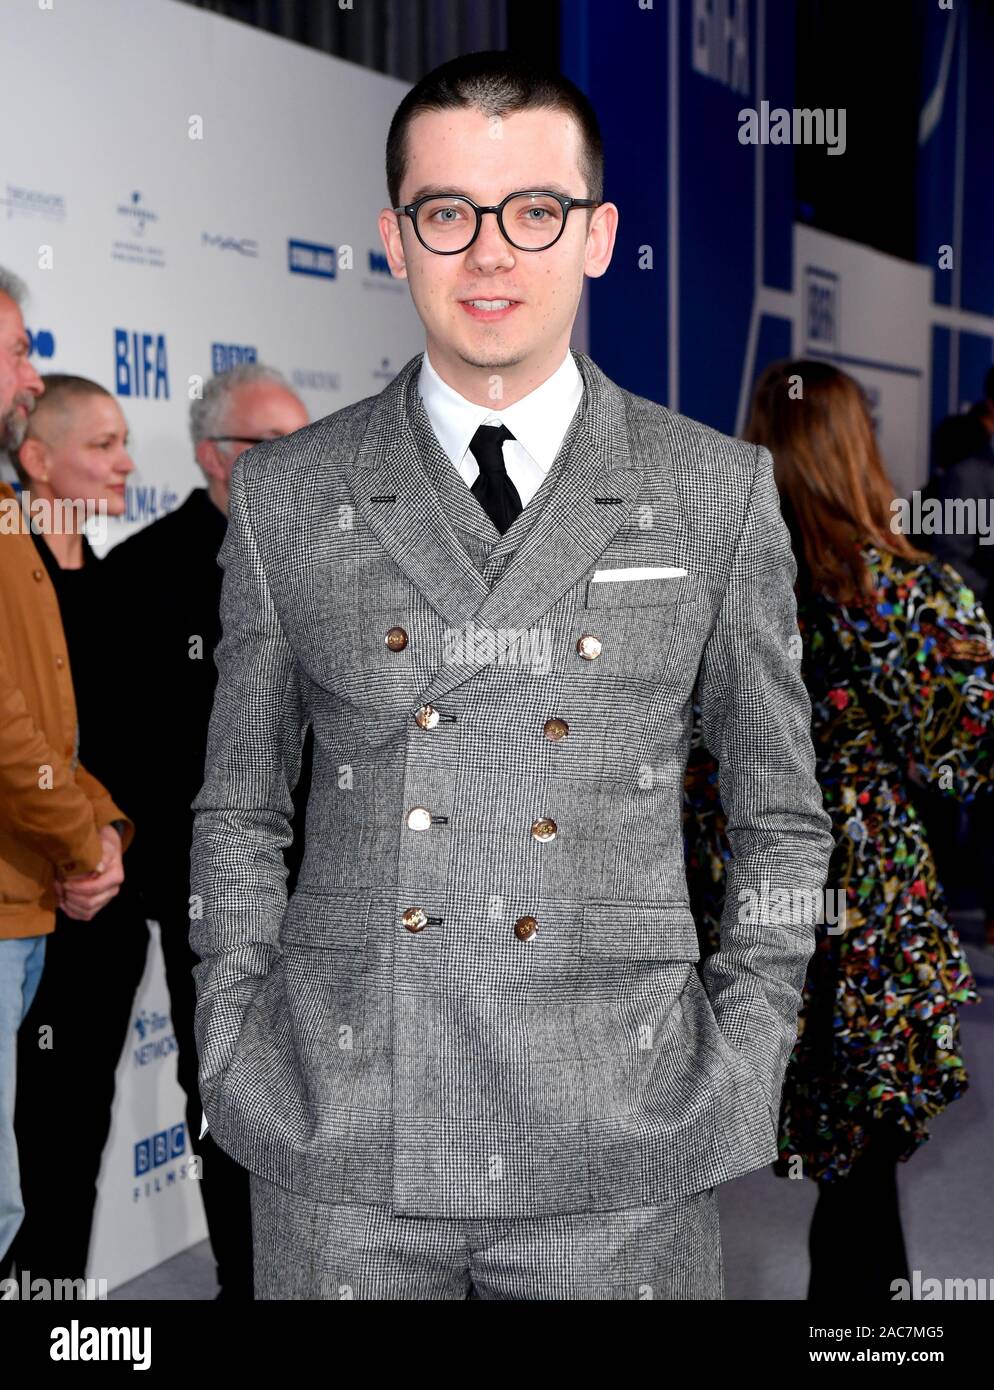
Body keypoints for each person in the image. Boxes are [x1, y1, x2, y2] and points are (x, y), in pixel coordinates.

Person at [189, 51, 834, 1301]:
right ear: (395, 239)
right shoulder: (287, 494)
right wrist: (233, 1046)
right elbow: (238, 808)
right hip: (347, 1137)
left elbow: (781, 817)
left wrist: (747, 1051)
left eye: (533, 211)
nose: (491, 254)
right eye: (449, 213)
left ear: (596, 237)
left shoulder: (711, 491)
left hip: (620, 1142)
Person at [683, 358, 994, 1300]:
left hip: (749, 912)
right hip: (868, 916)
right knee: (862, 1177)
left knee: (843, 1177)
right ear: (857, 449)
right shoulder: (905, 595)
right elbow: (972, 751)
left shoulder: (702, 587)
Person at [101, 363, 309, 1300]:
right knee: (228, 1104)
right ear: (209, 455)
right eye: (266, 443)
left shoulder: (332, 563)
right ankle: (248, 1285)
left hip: (342, 894)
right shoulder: (143, 575)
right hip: (215, 905)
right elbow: (119, 750)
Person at [2, 373, 144, 1286]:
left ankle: (62, 1316)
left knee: (76, 1128)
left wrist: (110, 845)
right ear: (37, 461)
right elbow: (21, 738)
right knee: (24, 1143)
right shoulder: (17, 566)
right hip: (31, 888)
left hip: (103, 894)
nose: (126, 462)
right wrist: (77, 843)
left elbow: (135, 755)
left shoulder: (127, 584)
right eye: (101, 445)